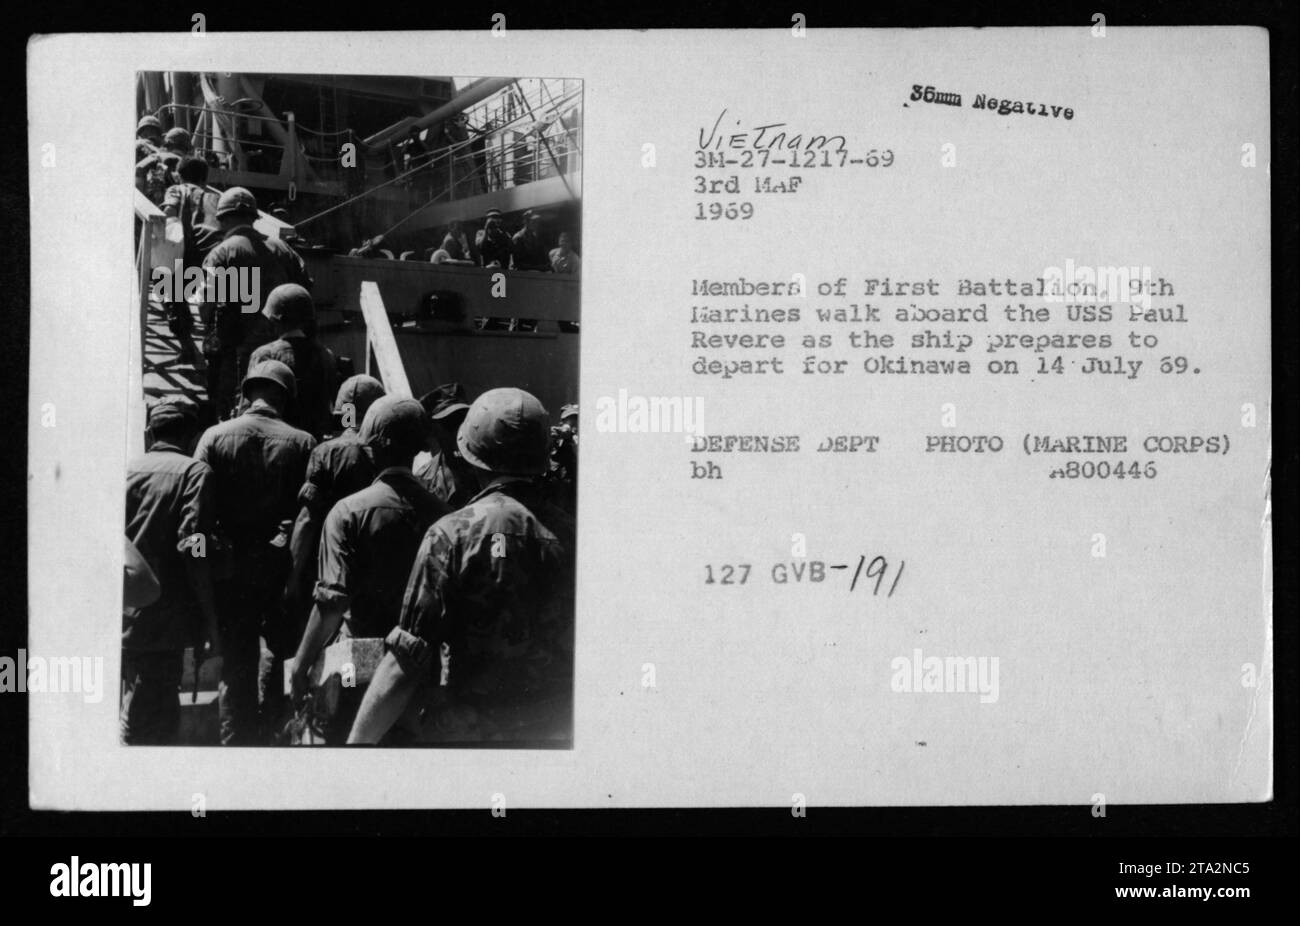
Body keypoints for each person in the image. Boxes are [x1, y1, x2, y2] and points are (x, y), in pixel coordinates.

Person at [348, 388, 575, 745]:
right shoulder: (574, 532)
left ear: (471, 452)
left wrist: (358, 743)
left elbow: (406, 660)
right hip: (559, 731)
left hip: (475, 734)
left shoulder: (452, 534)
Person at [289, 396, 449, 742]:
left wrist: (301, 666)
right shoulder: (445, 515)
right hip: (419, 676)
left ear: (371, 449)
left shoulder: (347, 513)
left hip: (358, 671)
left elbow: (331, 603)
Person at [195, 360, 316, 745]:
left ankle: (237, 747)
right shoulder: (303, 443)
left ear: (248, 393)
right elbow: (306, 515)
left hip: (230, 572)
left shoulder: (213, 437)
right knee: (282, 656)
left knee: (236, 665)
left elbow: (198, 513)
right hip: (281, 568)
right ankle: (277, 738)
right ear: (284, 395)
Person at [123, 396, 221, 745]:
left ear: (151, 433)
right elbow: (193, 545)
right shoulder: (196, 473)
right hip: (167, 619)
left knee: (132, 703)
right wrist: (209, 617)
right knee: (156, 718)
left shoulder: (125, 471)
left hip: (122, 613)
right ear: (192, 436)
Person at [283, 375, 386, 647]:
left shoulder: (326, 452)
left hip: (328, 574)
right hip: (374, 577)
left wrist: (291, 580)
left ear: (344, 412)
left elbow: (306, 520)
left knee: (318, 651)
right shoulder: (387, 452)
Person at [200, 187, 313, 421]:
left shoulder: (221, 253)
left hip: (236, 349)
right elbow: (304, 289)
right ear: (254, 218)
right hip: (283, 347)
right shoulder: (283, 249)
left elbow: (206, 304)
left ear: (222, 219)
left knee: (234, 410)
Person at [247, 283, 336, 440]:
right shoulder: (326, 356)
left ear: (275, 320)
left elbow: (248, 411)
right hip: (313, 444)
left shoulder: (263, 355)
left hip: (272, 443)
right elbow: (342, 405)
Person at [161, 157, 221, 365]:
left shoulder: (177, 190)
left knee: (169, 291)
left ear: (179, 175)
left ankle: (187, 346)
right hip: (215, 253)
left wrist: (164, 248)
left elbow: (169, 213)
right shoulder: (216, 197)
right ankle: (213, 348)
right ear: (205, 178)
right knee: (217, 301)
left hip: (189, 249)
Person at [413, 383, 477, 509]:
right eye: (450, 424)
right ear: (433, 430)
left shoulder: (492, 462)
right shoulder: (424, 481)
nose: (459, 429)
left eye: (462, 419)